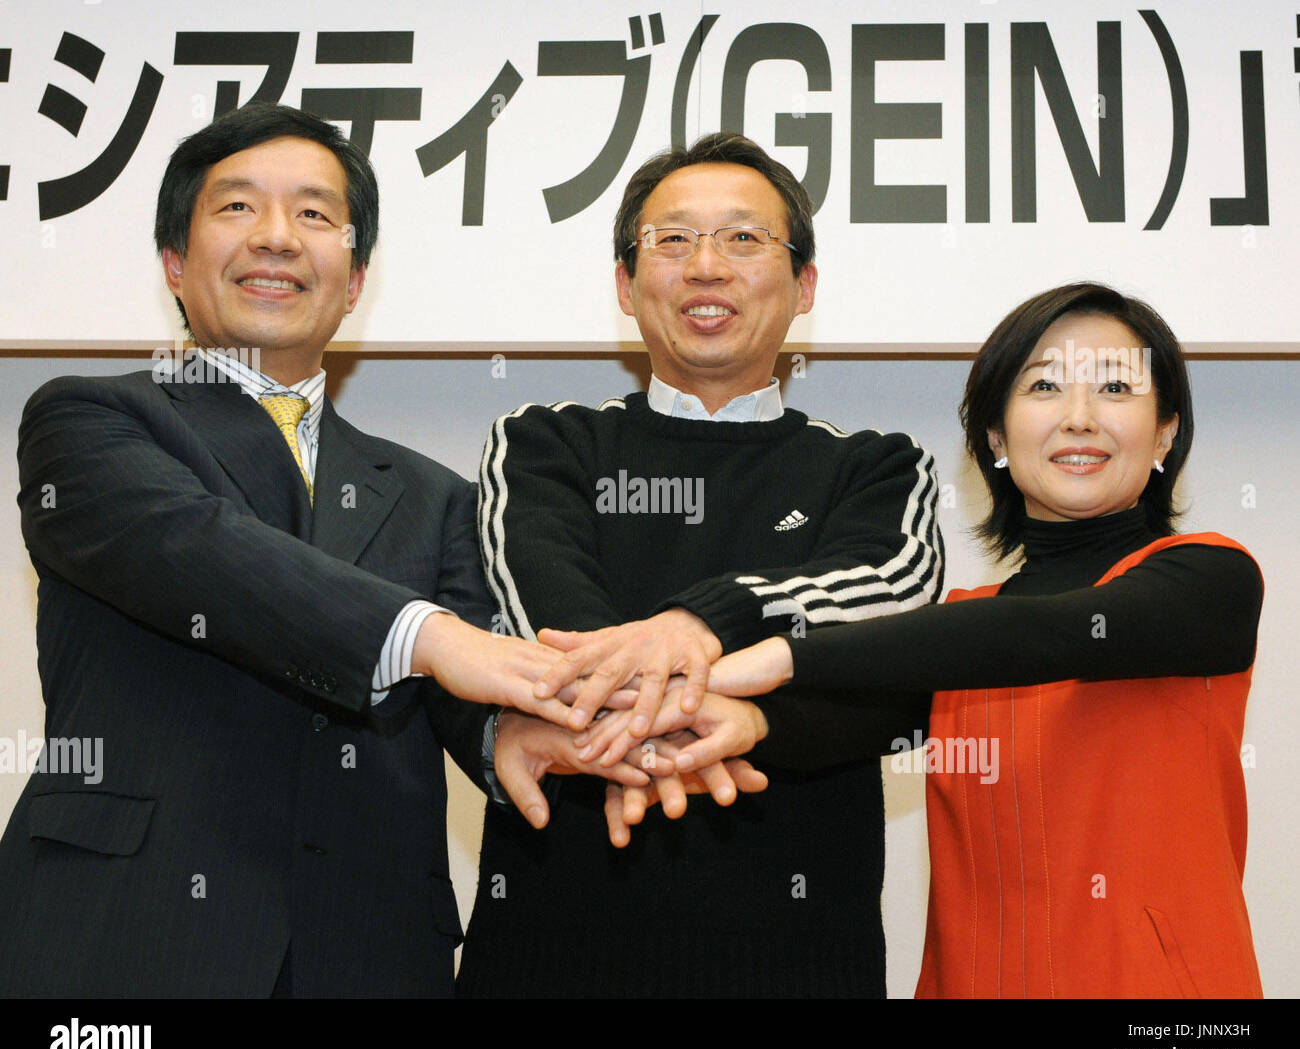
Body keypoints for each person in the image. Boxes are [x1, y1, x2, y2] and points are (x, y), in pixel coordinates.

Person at [0, 103, 635, 998]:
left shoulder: (436, 494)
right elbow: (202, 551)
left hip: (367, 948)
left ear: (354, 278)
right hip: (124, 934)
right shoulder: (90, 420)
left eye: (313, 215)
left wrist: (512, 736)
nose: (276, 238)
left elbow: (467, 697)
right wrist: (433, 637)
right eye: (235, 209)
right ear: (175, 266)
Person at [456, 133, 944, 998]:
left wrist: (697, 623)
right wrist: (692, 696)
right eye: (672, 240)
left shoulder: (876, 466)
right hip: (549, 959)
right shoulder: (541, 443)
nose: (706, 266)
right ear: (624, 284)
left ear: (804, 288)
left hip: (799, 964)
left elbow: (886, 611)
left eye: (744, 239)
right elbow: (545, 625)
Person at [699, 282, 1264, 997]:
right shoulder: (960, 631)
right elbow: (824, 724)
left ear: (1164, 433)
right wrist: (702, 718)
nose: (1079, 417)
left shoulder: (1209, 579)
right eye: (1045, 387)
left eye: (1116, 388)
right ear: (996, 436)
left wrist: (782, 655)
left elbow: (1044, 637)